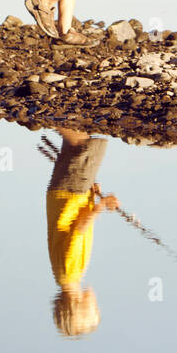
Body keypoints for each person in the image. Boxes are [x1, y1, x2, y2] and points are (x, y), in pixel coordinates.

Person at [46, 128, 119, 337]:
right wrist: (93, 196)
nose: (96, 303)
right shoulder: (62, 276)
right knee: (77, 144)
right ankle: (46, 113)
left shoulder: (70, 273)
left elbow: (79, 228)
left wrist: (102, 205)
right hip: (65, 195)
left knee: (84, 146)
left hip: (70, 194)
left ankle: (43, 115)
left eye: (94, 308)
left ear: (79, 306)